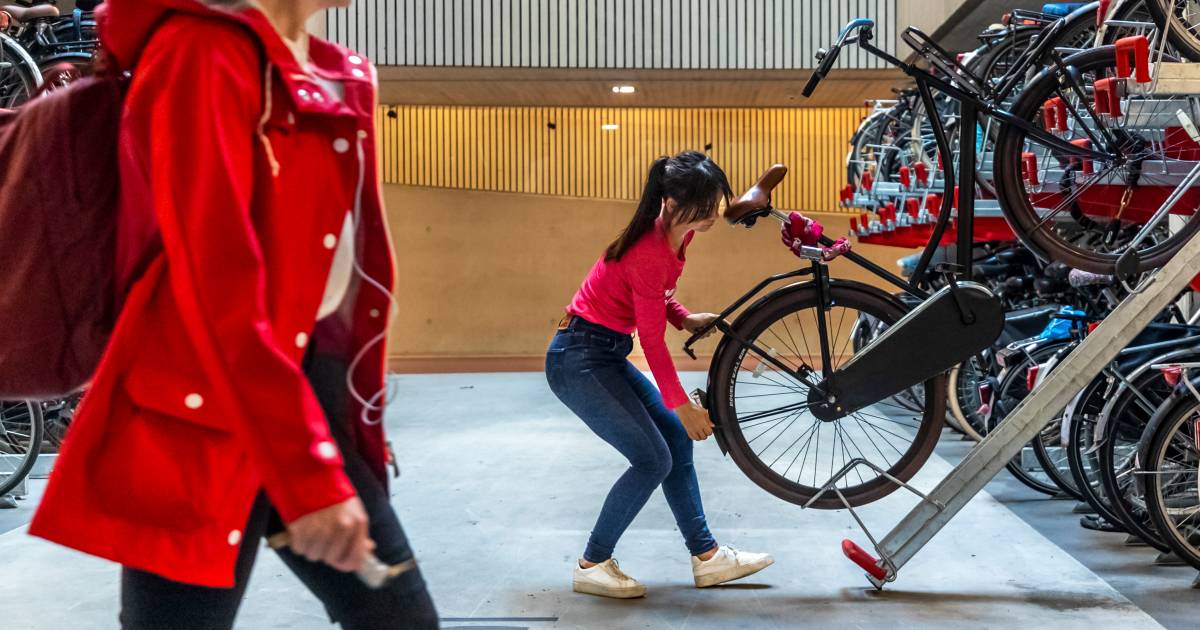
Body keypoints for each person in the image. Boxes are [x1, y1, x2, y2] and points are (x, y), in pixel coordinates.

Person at [28, 1, 438, 628]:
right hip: (197, 408)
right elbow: (218, 286)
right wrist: (307, 478)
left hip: (297, 391)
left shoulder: (331, 68)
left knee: (399, 620)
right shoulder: (201, 50)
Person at [546, 151, 774, 599]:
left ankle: (706, 558)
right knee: (653, 459)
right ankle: (592, 563)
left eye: (715, 203)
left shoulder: (675, 236)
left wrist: (683, 318)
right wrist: (682, 404)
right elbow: (651, 342)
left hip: (602, 353)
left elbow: (653, 296)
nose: (712, 214)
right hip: (579, 359)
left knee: (673, 441)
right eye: (703, 206)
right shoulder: (649, 248)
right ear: (671, 201)